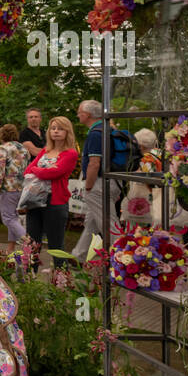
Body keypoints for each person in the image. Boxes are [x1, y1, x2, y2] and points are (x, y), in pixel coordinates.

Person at [23, 116, 79, 265]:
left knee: (56, 245)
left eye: (60, 129)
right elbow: (27, 171)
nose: (56, 131)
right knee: (32, 244)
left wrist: (39, 170)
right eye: (53, 128)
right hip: (34, 200)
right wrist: (41, 170)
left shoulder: (71, 153)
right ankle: (30, 280)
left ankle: (61, 282)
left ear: (67, 132)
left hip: (55, 201)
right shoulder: (45, 151)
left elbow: (54, 173)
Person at [71, 100, 113, 261]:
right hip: (105, 182)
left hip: (97, 183)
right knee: (91, 222)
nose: (78, 115)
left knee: (107, 222)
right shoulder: (106, 129)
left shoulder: (96, 133)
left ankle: (118, 256)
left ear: (87, 115)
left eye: (80, 112)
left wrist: (88, 186)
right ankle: (79, 255)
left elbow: (94, 163)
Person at [0, 123, 31, 248]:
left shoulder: (2, 149)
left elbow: (0, 170)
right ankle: (10, 249)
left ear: (2, 135)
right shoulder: (24, 149)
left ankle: (28, 241)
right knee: (14, 218)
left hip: (8, 187)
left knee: (8, 219)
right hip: (22, 187)